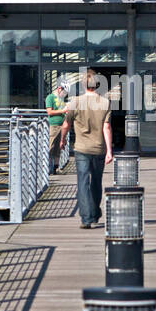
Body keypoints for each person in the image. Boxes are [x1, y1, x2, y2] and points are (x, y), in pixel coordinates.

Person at [60, 71, 113, 228]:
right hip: (99, 149)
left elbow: (65, 125)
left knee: (83, 183)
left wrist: (62, 140)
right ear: (97, 84)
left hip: (82, 148)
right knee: (96, 182)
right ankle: (95, 213)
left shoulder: (74, 102)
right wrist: (109, 150)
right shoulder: (105, 102)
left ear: (83, 85)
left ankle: (86, 218)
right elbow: (107, 127)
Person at [45, 78, 68, 173]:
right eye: (64, 92)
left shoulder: (61, 99)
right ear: (59, 89)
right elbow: (49, 111)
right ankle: (48, 168)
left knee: (59, 147)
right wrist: (62, 111)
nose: (64, 95)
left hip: (61, 125)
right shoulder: (50, 97)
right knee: (51, 146)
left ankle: (56, 167)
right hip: (53, 125)